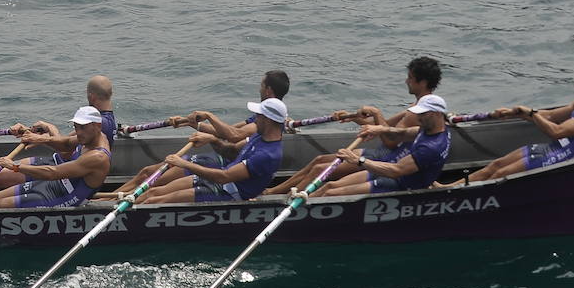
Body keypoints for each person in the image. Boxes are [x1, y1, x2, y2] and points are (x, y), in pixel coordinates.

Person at [265, 57, 440, 195]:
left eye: (410, 78)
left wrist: (377, 113)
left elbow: (390, 141)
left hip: (387, 158)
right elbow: (382, 125)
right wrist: (353, 118)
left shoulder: (422, 113)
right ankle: (274, 191)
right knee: (319, 160)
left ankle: (289, 199)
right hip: (383, 153)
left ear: (423, 82)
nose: (406, 81)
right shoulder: (415, 106)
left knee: (319, 169)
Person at [104, 70, 288, 199]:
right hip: (223, 169)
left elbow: (233, 135)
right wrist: (191, 123)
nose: (259, 88)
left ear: (268, 90)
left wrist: (209, 117)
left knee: (153, 188)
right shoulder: (263, 128)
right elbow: (225, 133)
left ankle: (111, 203)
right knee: (148, 179)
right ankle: (108, 200)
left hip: (224, 177)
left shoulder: (266, 140)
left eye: (261, 85)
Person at [0, 75, 115, 197]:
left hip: (60, 172)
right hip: (56, 162)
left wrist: (42, 138)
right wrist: (43, 131)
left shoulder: (99, 124)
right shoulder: (102, 120)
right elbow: (65, 144)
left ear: (91, 96)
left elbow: (65, 152)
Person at [451, 62, 574, 185]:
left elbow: (556, 131)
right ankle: (447, 188)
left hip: (567, 155)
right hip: (554, 148)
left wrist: (531, 113)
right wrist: (513, 112)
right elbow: (549, 116)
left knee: (500, 174)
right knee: (496, 165)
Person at [134, 98, 288, 204]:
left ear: (268, 120)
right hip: (220, 181)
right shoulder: (259, 136)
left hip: (228, 193)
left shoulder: (268, 155)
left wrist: (184, 164)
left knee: (154, 201)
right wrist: (213, 140)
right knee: (152, 193)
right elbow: (231, 152)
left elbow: (224, 177)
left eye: (259, 116)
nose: (255, 119)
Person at [0, 106, 112, 209]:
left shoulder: (98, 157)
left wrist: (14, 167)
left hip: (63, 197)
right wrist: (40, 138)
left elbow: (52, 172)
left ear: (97, 126)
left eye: (83, 127)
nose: (78, 132)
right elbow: (66, 144)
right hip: (51, 185)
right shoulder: (90, 137)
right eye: (76, 127)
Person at [314, 94, 450, 196]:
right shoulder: (430, 129)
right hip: (390, 170)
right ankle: (300, 203)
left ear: (436, 115)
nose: (418, 117)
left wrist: (358, 160)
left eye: (423, 114)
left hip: (400, 184)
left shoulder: (431, 147)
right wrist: (381, 129)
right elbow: (403, 133)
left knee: (330, 194)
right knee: (329, 186)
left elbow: (396, 170)